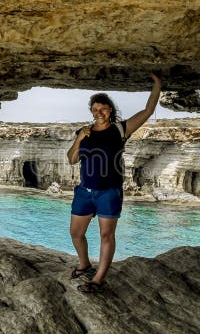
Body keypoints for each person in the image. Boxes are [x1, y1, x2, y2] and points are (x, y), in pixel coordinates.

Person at [66, 73, 162, 294]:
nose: (99, 112)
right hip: (85, 191)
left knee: (106, 235)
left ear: (110, 109)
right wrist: (79, 138)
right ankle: (84, 265)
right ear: (91, 111)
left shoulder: (120, 130)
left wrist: (157, 85)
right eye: (95, 109)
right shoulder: (84, 132)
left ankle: (99, 279)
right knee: (75, 233)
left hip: (109, 192)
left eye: (103, 108)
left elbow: (147, 112)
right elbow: (71, 159)